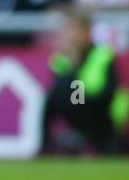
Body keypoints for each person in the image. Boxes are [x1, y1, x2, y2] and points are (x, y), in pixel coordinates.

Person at [42, 9, 127, 154]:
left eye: (75, 31)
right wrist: (72, 66)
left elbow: (108, 93)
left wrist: (75, 70)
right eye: (68, 31)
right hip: (78, 109)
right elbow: (60, 93)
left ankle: (82, 138)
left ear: (87, 32)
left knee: (76, 94)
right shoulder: (61, 59)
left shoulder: (103, 55)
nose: (71, 36)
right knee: (51, 98)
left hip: (102, 111)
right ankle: (45, 147)